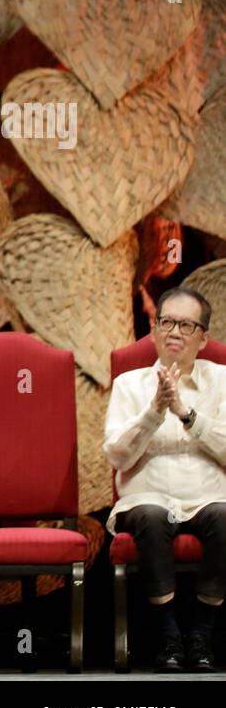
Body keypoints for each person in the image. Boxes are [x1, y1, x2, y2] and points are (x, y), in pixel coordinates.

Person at [104, 286, 226, 672]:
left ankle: (202, 635)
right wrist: (155, 411)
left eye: (186, 325)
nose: (174, 332)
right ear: (153, 330)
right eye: (166, 322)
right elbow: (117, 455)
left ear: (203, 338)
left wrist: (187, 414)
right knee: (154, 516)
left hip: (209, 496)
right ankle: (169, 634)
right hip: (147, 497)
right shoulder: (129, 385)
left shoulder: (223, 381)